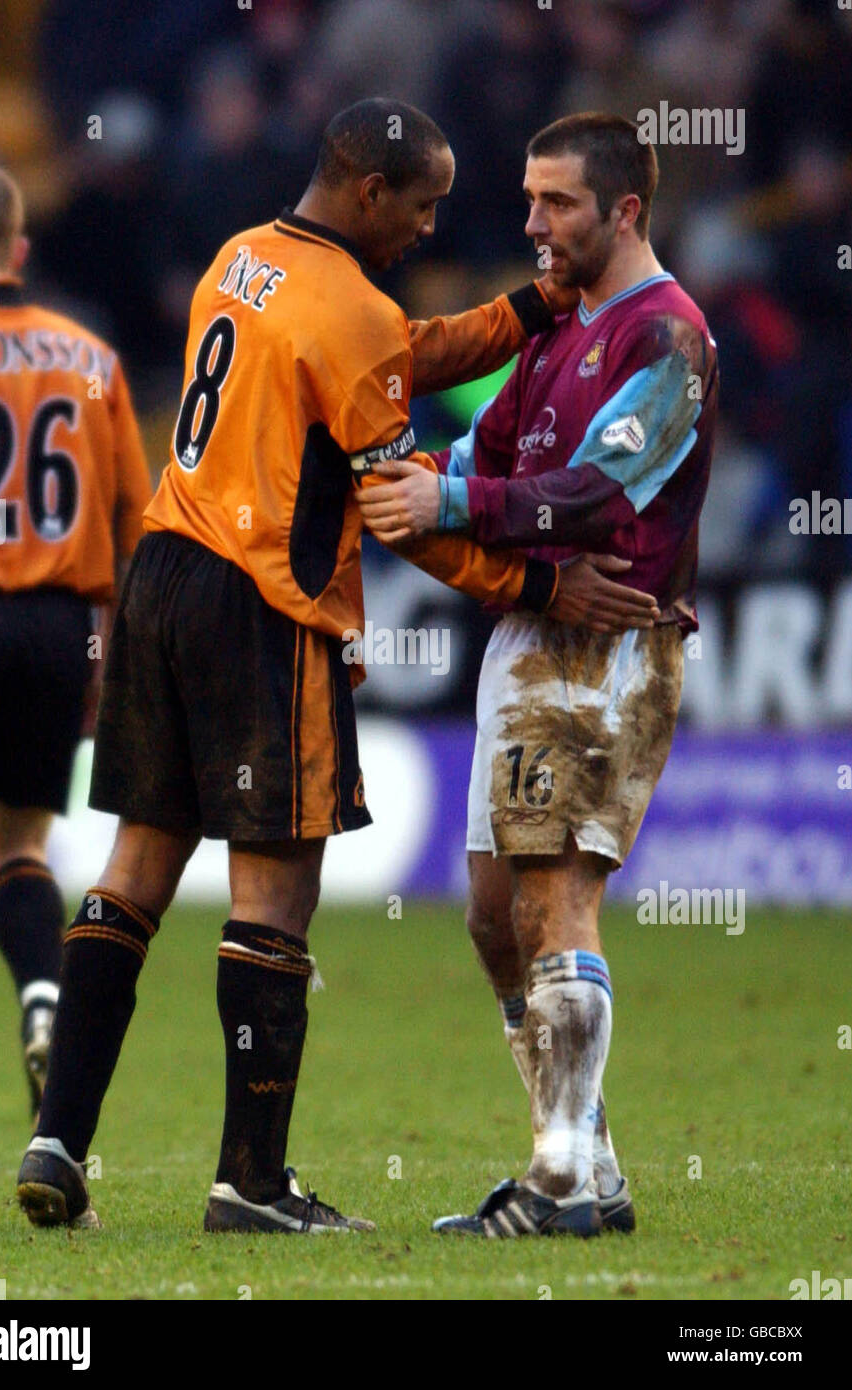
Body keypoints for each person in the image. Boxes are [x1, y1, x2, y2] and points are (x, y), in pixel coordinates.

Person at [15, 99, 659, 1234]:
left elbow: (389, 351)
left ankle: (58, 1140)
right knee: (275, 897)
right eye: (424, 202)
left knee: (131, 874)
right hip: (260, 604)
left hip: (163, 571)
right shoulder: (352, 307)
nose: (430, 223)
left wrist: (521, 313)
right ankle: (251, 1185)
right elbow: (398, 510)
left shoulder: (244, 257)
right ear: (370, 191)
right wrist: (547, 585)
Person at [359, 112, 719, 1238]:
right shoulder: (558, 331)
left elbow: (606, 493)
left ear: (624, 210)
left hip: (606, 644)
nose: (531, 224)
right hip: (528, 635)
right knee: (488, 915)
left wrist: (452, 505)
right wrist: (394, 471)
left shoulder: (670, 340)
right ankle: (590, 1163)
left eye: (555, 203)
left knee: (554, 895)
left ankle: (559, 1174)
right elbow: (483, 455)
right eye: (526, 200)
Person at [0, 160, 151, 1166]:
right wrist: (108, 640)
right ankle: (44, 996)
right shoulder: (90, 357)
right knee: (19, 847)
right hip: (63, 627)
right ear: (19, 249)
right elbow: (135, 514)